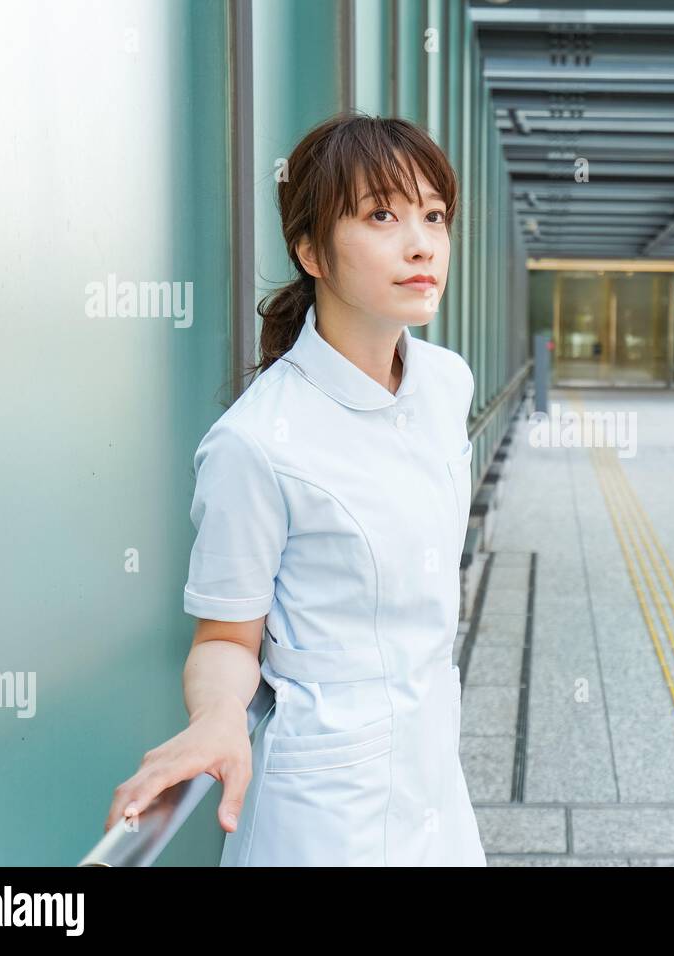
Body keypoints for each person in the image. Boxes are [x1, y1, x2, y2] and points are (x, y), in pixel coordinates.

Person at [104, 112, 486, 866]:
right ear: (309, 250)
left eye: (434, 216)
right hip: (324, 813)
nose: (421, 243)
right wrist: (217, 718)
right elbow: (224, 638)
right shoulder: (255, 444)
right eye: (381, 214)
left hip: (438, 780)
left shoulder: (447, 382)